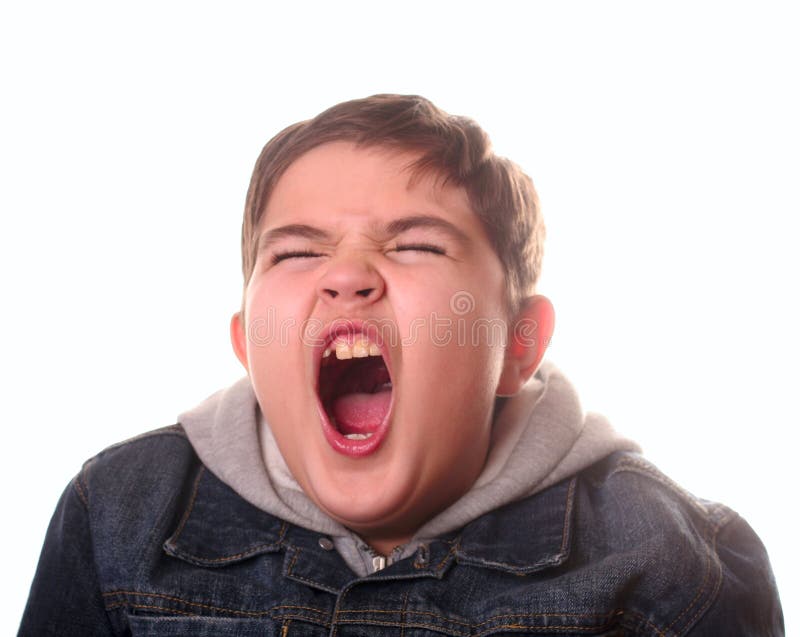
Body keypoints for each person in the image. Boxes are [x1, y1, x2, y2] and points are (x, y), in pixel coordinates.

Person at [19, 95, 783, 635]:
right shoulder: (118, 517)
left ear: (518, 345)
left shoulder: (673, 564)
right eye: (299, 250)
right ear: (251, 343)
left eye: (415, 244)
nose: (347, 275)